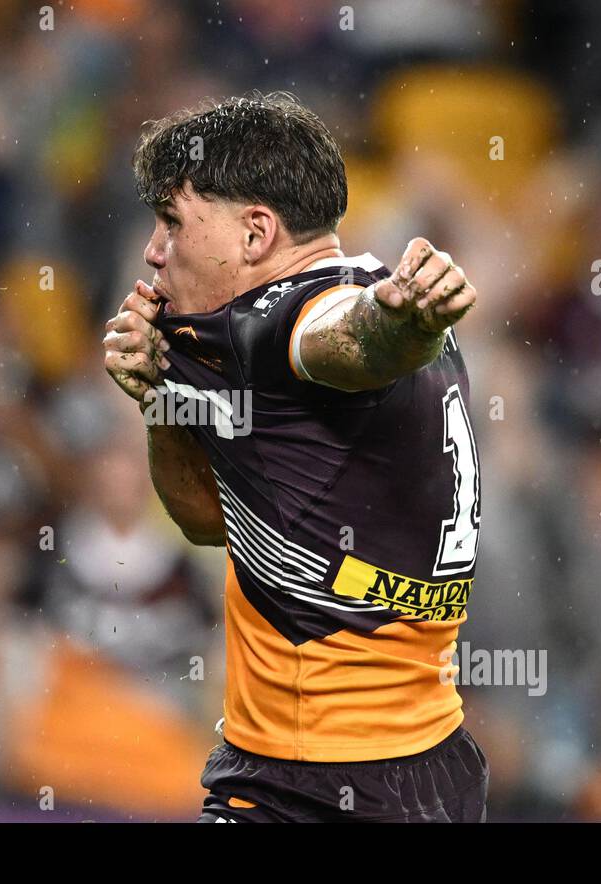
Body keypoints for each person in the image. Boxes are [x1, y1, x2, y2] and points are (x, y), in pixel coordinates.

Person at [103, 91, 487, 822]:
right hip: (421, 768)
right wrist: (161, 399)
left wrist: (407, 326)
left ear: (255, 233)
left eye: (173, 221)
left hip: (320, 778)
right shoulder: (331, 294)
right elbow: (207, 522)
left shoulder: (288, 319)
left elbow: (353, 341)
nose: (154, 250)